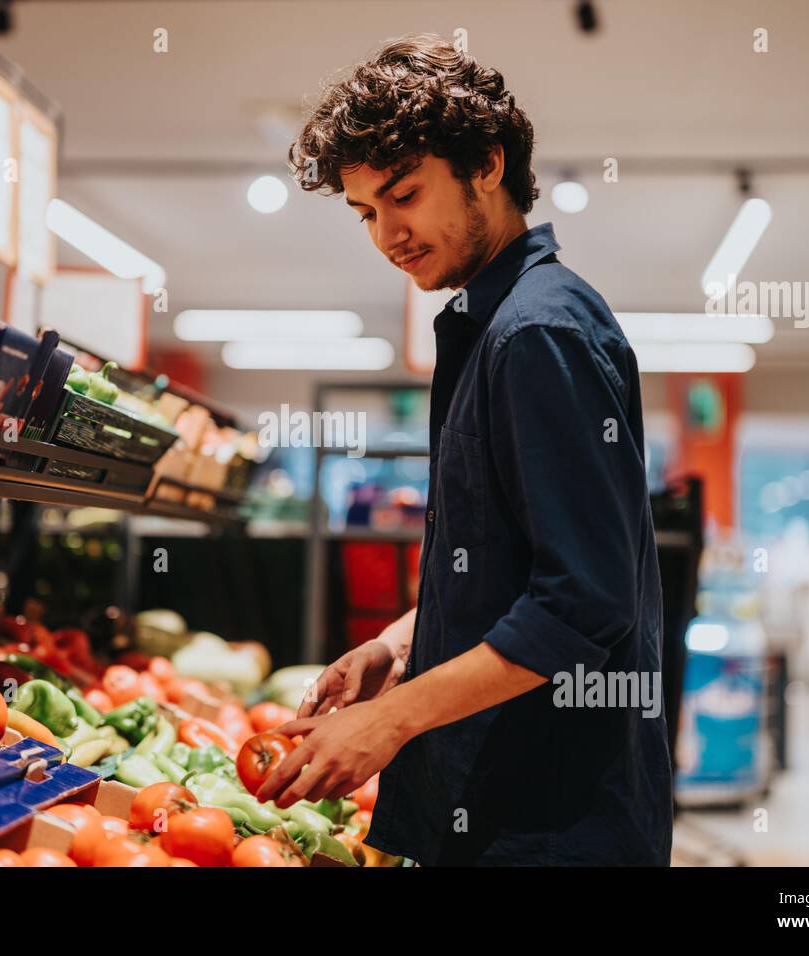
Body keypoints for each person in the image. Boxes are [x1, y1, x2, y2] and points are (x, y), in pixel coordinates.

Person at [254, 35, 673, 866]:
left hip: (550, 819)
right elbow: (503, 564)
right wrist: (398, 646)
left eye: (403, 196)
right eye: (367, 212)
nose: (387, 236)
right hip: (504, 800)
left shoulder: (538, 332)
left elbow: (581, 606)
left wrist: (391, 719)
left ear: (487, 164)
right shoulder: (498, 327)